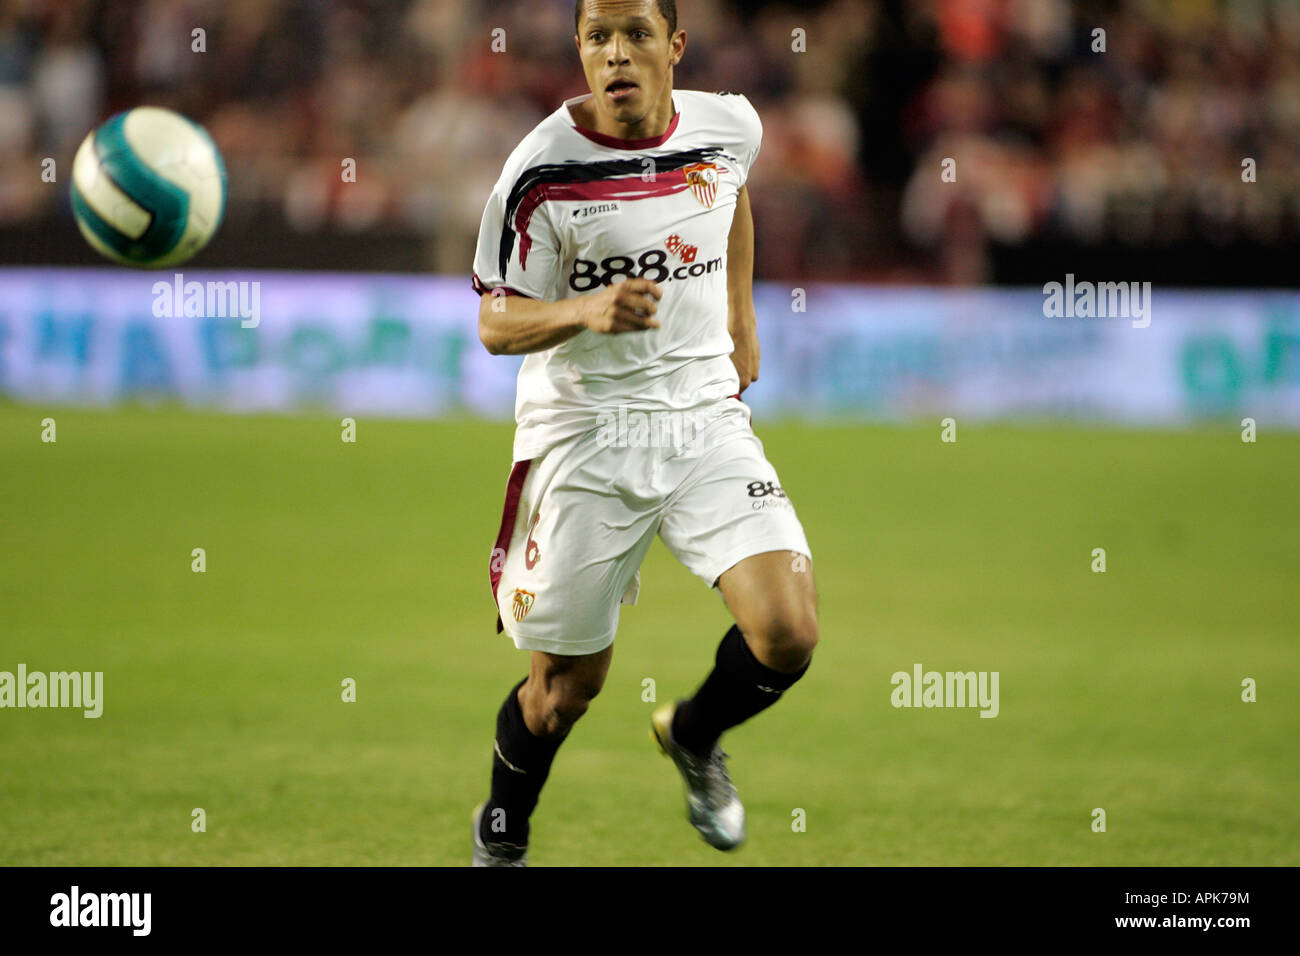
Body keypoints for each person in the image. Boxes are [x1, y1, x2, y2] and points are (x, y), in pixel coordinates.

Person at [469, 0, 817, 866]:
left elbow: (730, 200)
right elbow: (495, 323)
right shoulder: (540, 172)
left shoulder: (728, 124)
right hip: (585, 433)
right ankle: (503, 833)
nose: (616, 54)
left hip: (702, 415)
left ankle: (694, 738)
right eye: (597, 38)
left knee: (788, 633)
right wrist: (586, 308)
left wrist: (741, 317)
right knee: (565, 690)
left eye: (635, 33)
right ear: (581, 51)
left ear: (675, 46)